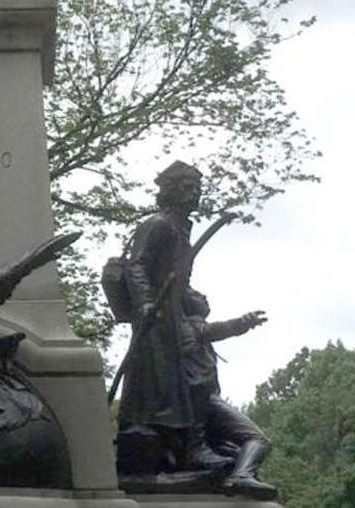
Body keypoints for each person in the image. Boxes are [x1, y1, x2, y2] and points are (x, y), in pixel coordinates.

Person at [116, 160, 234, 474]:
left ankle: (191, 445)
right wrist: (145, 303)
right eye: (187, 187)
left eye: (197, 188)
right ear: (169, 190)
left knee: (198, 372)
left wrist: (192, 298)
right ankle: (191, 447)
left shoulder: (181, 229)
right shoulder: (158, 224)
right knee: (187, 377)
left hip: (175, 313)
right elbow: (136, 266)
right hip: (158, 318)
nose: (195, 193)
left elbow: (179, 280)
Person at [179, 287, 278, 500]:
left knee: (235, 452)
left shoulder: (185, 329)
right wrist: (243, 322)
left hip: (201, 400)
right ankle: (241, 477)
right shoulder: (191, 326)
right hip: (204, 400)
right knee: (257, 439)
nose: (204, 296)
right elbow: (217, 329)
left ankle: (239, 475)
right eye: (196, 295)